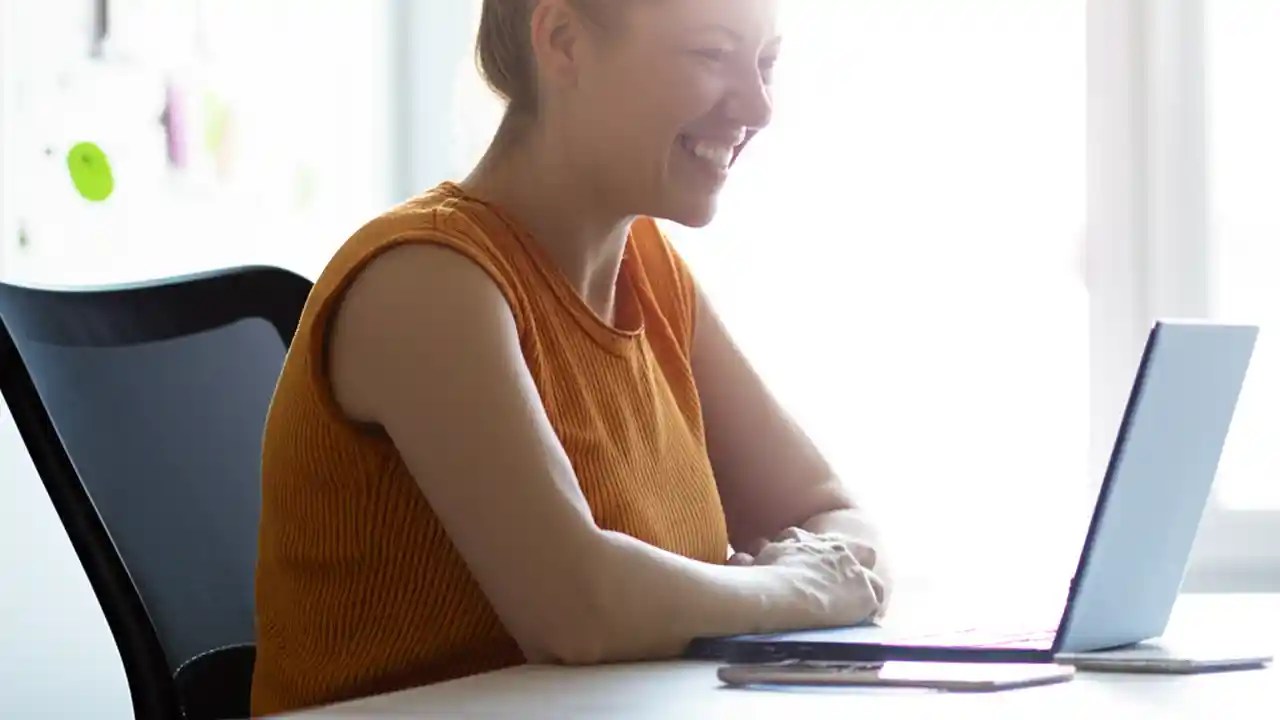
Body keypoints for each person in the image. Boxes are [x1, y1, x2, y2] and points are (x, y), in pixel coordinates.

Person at [250, 0, 890, 715]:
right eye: (712, 54)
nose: (759, 106)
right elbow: (578, 610)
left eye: (766, 62)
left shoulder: (652, 274)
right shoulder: (424, 279)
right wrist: (790, 591)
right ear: (563, 42)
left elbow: (834, 520)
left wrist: (791, 585)